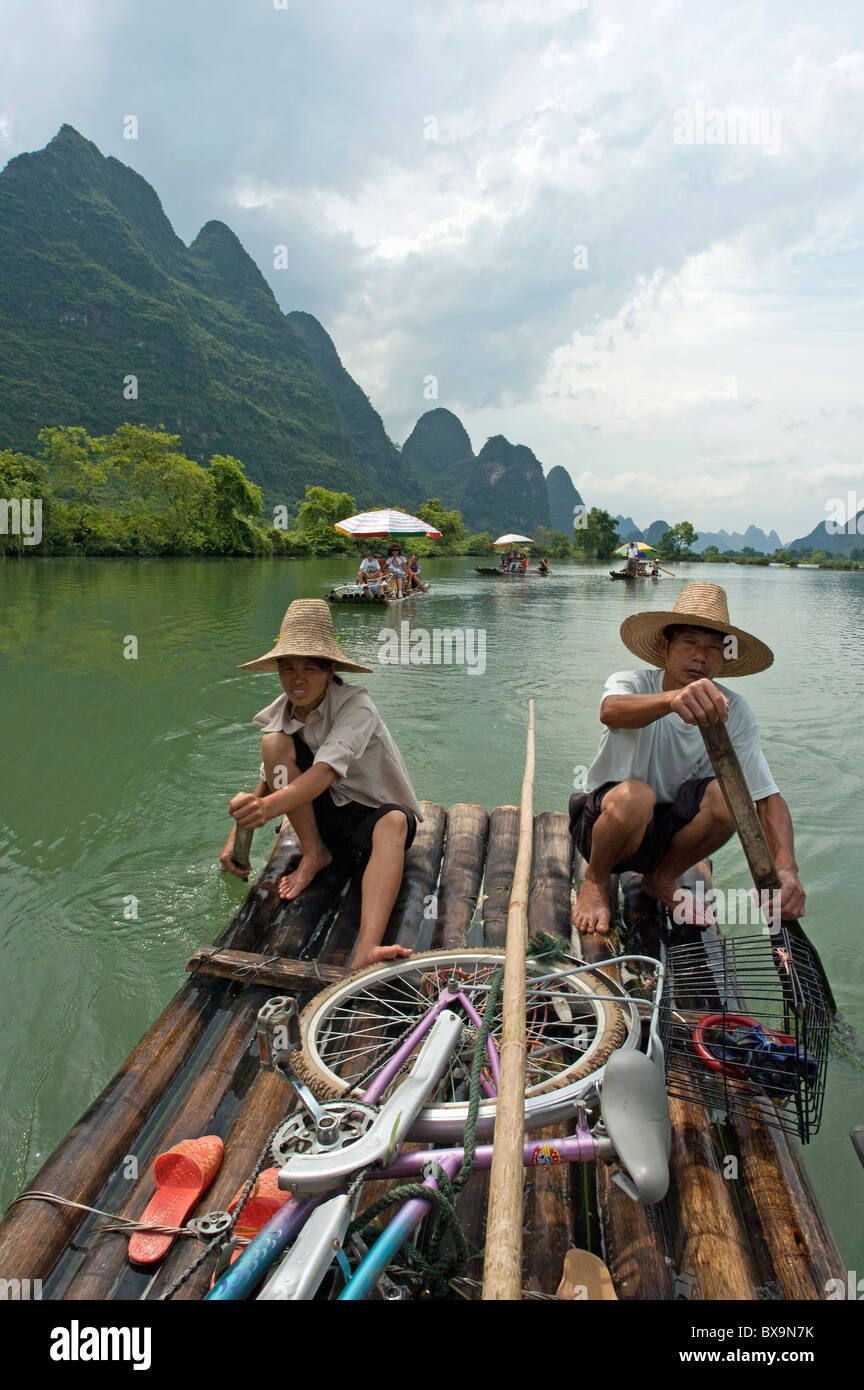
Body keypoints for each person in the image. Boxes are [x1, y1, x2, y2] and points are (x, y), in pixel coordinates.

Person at [569, 582, 805, 934]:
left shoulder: (734, 709)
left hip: (670, 840)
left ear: (724, 658)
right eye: (690, 643)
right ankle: (597, 881)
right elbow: (611, 711)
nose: (701, 656)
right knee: (636, 796)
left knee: (731, 796)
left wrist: (787, 868)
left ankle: (661, 879)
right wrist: (672, 701)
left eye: (713, 647)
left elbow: (766, 798)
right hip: (607, 828)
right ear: (666, 646)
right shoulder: (631, 683)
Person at [222, 599, 422, 970]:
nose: (298, 679)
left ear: (330, 670)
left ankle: (367, 946)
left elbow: (326, 771)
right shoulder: (282, 710)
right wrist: (237, 836)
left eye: (310, 669)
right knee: (274, 742)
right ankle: (315, 854)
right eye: (288, 668)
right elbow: (270, 775)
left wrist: (267, 809)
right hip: (325, 825)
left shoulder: (355, 704)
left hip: (373, 822)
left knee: (394, 820)